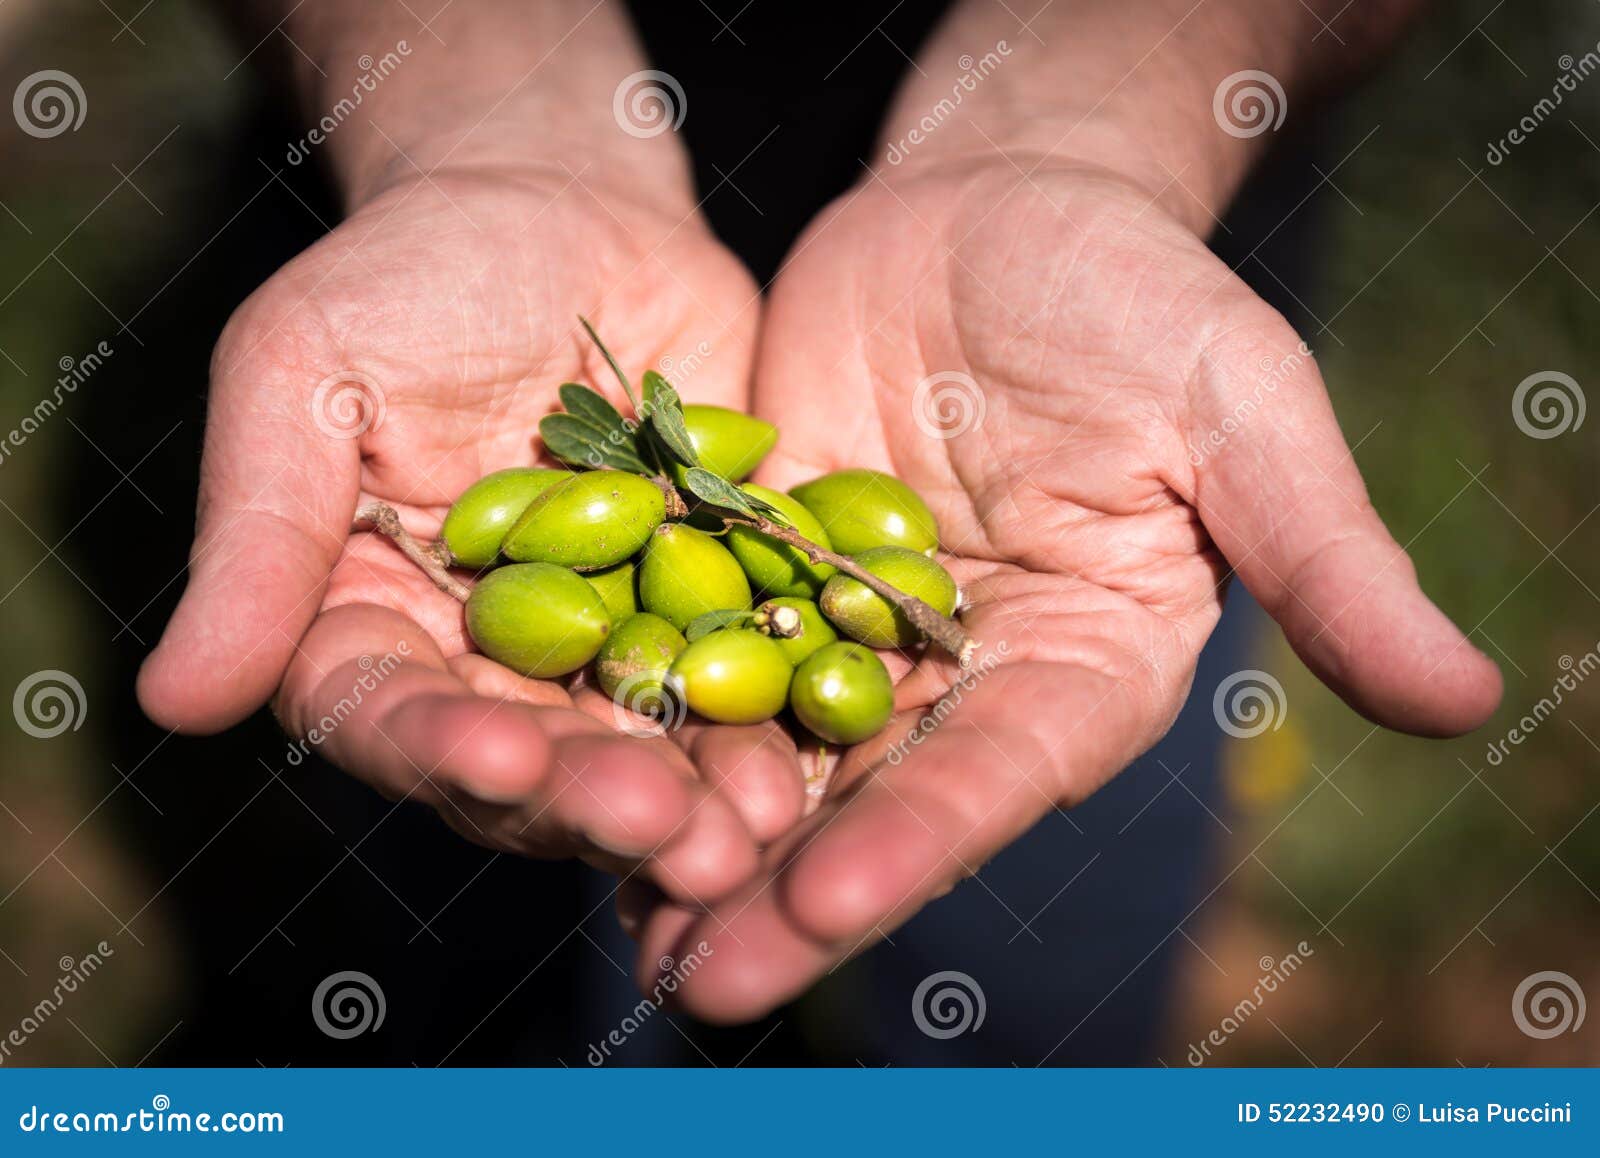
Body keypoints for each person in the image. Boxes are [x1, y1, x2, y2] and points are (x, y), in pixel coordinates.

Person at [137, 0, 1500, 1031]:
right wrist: (468, 107)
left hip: (1053, 458)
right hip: (451, 251)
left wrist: (1085, 123)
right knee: (483, 960)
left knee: (1045, 980)